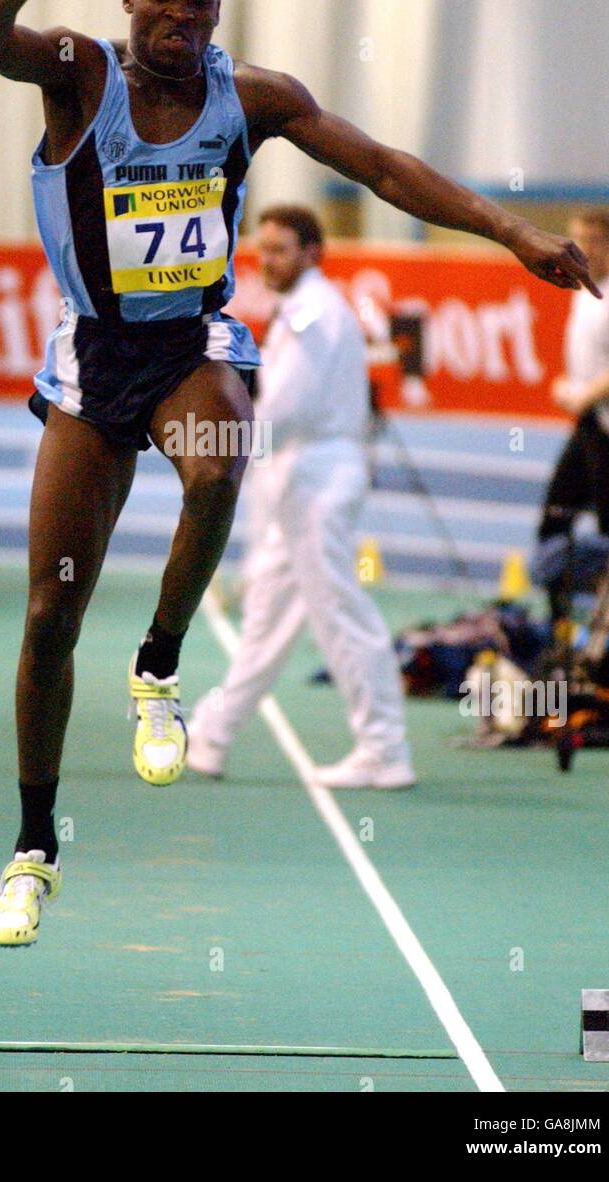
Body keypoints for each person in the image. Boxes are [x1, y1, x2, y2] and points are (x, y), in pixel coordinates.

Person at [0, 0, 597, 946]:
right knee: (48, 614)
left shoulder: (251, 97)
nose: (180, 17)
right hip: (94, 353)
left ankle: (158, 666)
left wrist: (508, 230)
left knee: (219, 464)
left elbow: (381, 167)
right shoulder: (80, 73)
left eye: (199, 2)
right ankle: (34, 849)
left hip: (189, 343)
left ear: (218, 9)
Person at [187, 205, 414, 787]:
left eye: (280, 249)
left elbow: (283, 410)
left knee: (339, 614)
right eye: (262, 248)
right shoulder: (304, 310)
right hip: (301, 477)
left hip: (317, 477)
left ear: (313, 253)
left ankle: (384, 748)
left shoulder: (313, 314)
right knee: (267, 617)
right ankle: (212, 734)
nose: (267, 260)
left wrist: (213, 449)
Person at [538, 211, 609, 617]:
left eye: (594, 240)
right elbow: (591, 362)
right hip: (588, 424)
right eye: (578, 241)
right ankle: (558, 621)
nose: (586, 249)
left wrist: (585, 395)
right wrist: (567, 387)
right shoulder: (580, 292)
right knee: (555, 518)